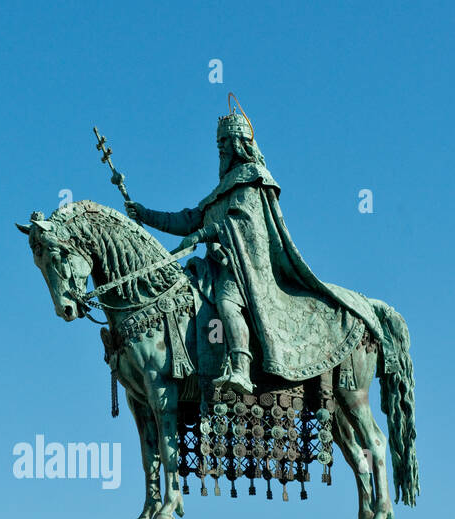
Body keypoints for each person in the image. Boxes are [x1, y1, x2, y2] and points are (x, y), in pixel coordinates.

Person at [125, 94, 382, 397]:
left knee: (227, 303)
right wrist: (143, 213)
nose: (219, 147)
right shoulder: (223, 187)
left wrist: (203, 235)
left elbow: (243, 225)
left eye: (224, 141)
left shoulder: (251, 179)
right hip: (215, 265)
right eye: (218, 142)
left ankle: (240, 369)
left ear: (238, 144)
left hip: (243, 267)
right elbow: (187, 218)